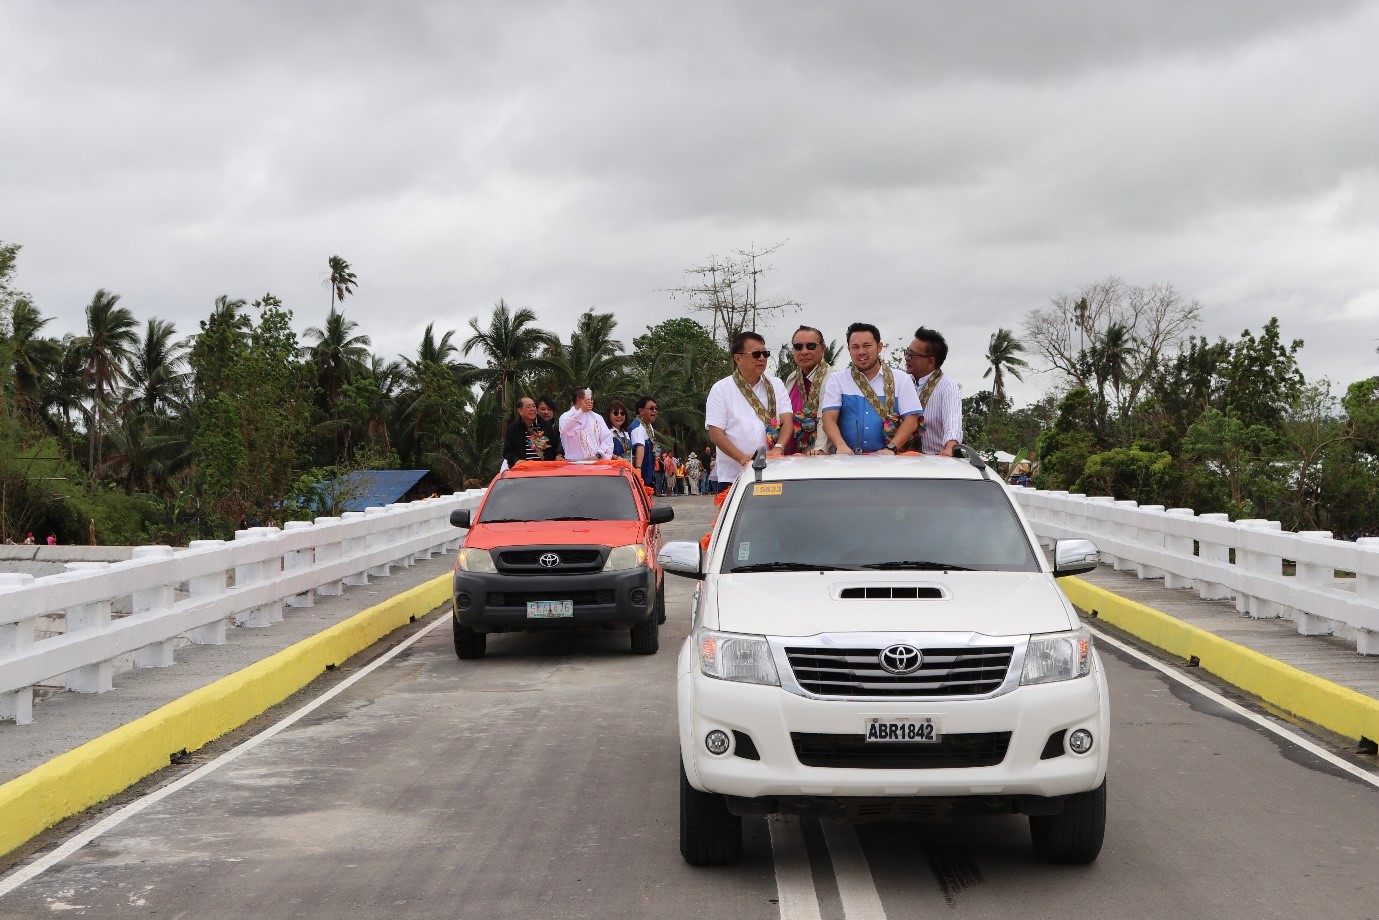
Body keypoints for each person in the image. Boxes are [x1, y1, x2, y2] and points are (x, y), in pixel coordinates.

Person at [705, 331, 794, 490]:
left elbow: (787, 421)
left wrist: (778, 448)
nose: (762, 358)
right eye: (756, 354)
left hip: (773, 471)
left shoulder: (776, 385)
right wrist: (744, 460)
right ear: (737, 358)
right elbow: (716, 434)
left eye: (765, 354)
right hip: (734, 475)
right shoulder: (721, 389)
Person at [822, 322, 922, 455]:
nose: (861, 352)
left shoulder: (901, 379)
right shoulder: (837, 379)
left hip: (890, 460)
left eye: (867, 346)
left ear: (880, 347)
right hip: (847, 461)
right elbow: (828, 419)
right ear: (849, 350)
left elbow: (911, 420)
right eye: (855, 347)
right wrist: (840, 446)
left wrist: (891, 448)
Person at [904, 326, 963, 456]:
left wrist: (950, 448)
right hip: (903, 461)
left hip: (935, 463)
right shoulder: (903, 383)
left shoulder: (947, 386)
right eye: (907, 352)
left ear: (930, 361)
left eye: (912, 354)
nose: (907, 358)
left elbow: (953, 424)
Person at [783, 324, 834, 455]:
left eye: (810, 346)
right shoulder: (792, 378)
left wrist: (820, 448)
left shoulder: (832, 379)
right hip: (791, 457)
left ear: (822, 348)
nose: (804, 351)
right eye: (798, 347)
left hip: (819, 457)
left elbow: (827, 417)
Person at [559, 386, 615, 460]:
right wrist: (581, 411)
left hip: (596, 464)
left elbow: (607, 438)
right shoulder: (565, 416)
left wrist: (598, 455)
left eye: (592, 399)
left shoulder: (597, 417)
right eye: (589, 399)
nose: (592, 401)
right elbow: (565, 430)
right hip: (574, 466)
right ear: (579, 400)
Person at [503, 396, 558, 468]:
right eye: (528, 407)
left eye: (534, 406)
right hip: (522, 469)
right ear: (520, 411)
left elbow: (553, 448)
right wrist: (516, 460)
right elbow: (507, 452)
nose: (532, 409)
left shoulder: (546, 426)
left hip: (544, 469)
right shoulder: (512, 429)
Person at [629, 396, 659, 491]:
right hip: (641, 474)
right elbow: (640, 448)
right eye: (651, 408)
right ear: (641, 411)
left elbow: (654, 444)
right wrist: (638, 469)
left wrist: (657, 457)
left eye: (656, 408)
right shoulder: (637, 427)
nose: (654, 411)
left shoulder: (649, 427)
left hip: (649, 472)